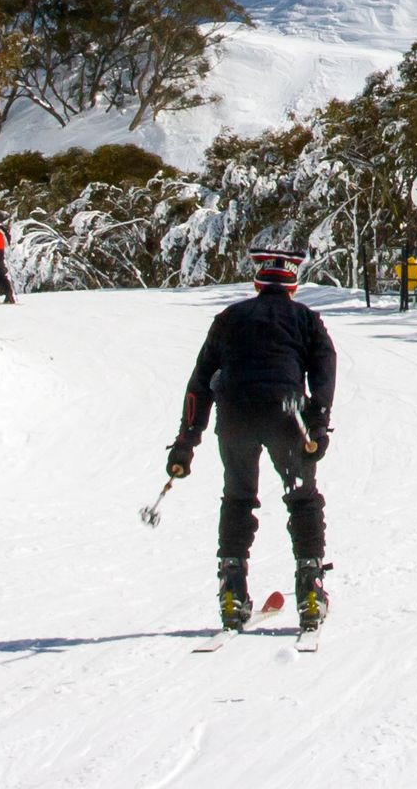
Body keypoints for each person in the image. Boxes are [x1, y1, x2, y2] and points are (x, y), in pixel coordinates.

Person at [167, 249, 338, 633]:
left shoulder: (229, 318)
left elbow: (200, 383)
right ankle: (310, 591)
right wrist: (318, 424)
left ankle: (232, 590)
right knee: (302, 498)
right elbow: (325, 372)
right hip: (286, 416)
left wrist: (186, 441)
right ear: (293, 285)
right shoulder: (306, 320)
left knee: (239, 497)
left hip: (235, 415)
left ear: (258, 282)